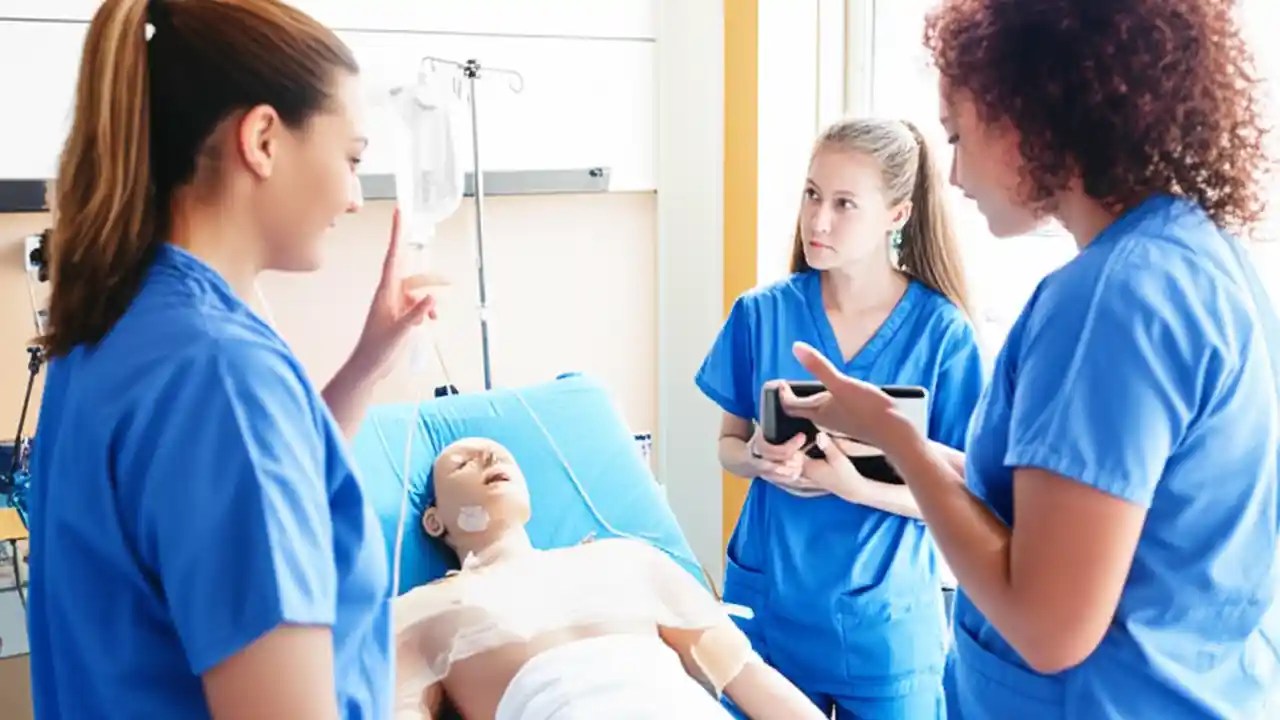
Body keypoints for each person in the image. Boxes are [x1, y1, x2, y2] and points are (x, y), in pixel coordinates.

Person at [779, 1, 1280, 718]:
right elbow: (1066, 512)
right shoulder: (1201, 259)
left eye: (957, 138)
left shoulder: (1111, 299)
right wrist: (905, 436)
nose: (953, 177)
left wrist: (901, 451)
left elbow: (1049, 628)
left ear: (1030, 112)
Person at [26, 1, 436, 717]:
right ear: (265, 139)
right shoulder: (223, 374)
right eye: (352, 159)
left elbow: (258, 510)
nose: (352, 196)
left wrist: (370, 361)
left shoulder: (120, 321)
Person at [695, 117, 986, 719]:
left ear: (897, 216)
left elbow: (966, 493)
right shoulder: (761, 313)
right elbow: (727, 442)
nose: (818, 220)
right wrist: (756, 461)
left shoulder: (943, 335)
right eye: (811, 195)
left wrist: (850, 485)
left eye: (844, 203)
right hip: (768, 607)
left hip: (884, 625)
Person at [392, 437, 825, 720]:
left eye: (503, 455)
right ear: (434, 521)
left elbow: (749, 677)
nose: (490, 456)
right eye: (462, 463)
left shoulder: (627, 560)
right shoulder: (420, 611)